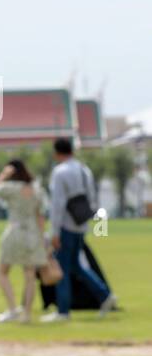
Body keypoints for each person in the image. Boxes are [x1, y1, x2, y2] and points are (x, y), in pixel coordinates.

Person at [42, 137, 117, 323]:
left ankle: (63, 311)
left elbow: (58, 204)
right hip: (81, 224)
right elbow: (91, 198)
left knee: (63, 268)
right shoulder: (84, 170)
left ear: (57, 153)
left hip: (66, 226)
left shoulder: (60, 172)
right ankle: (105, 295)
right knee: (76, 265)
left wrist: (54, 232)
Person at [0, 159, 49, 323]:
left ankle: (12, 309)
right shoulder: (36, 189)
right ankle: (26, 314)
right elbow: (40, 217)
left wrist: (3, 175)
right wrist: (42, 239)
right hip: (33, 233)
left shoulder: (11, 188)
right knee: (30, 275)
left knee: (2, 271)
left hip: (15, 231)